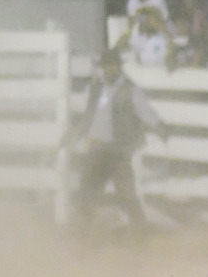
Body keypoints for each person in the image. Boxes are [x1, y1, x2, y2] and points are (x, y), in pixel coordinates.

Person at [68, 50, 169, 228]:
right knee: (87, 191)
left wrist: (158, 125)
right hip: (97, 147)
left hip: (118, 149)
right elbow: (89, 115)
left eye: (112, 66)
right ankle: (83, 233)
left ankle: (139, 233)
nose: (109, 70)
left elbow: (145, 111)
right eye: (106, 66)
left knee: (126, 193)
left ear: (119, 67)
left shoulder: (130, 89)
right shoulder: (98, 88)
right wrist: (74, 134)